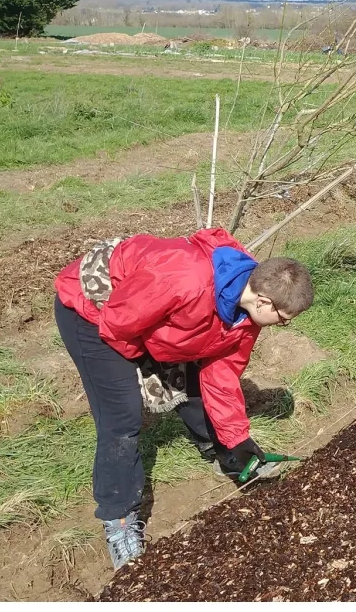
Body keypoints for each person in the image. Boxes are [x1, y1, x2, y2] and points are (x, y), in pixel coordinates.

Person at [53, 228, 315, 569]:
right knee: (122, 418)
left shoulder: (247, 314)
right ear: (264, 301)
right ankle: (118, 520)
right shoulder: (183, 279)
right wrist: (153, 368)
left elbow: (220, 376)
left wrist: (238, 439)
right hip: (94, 309)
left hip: (154, 313)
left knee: (194, 382)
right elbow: (117, 324)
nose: (282, 327)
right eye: (283, 320)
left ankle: (225, 454)